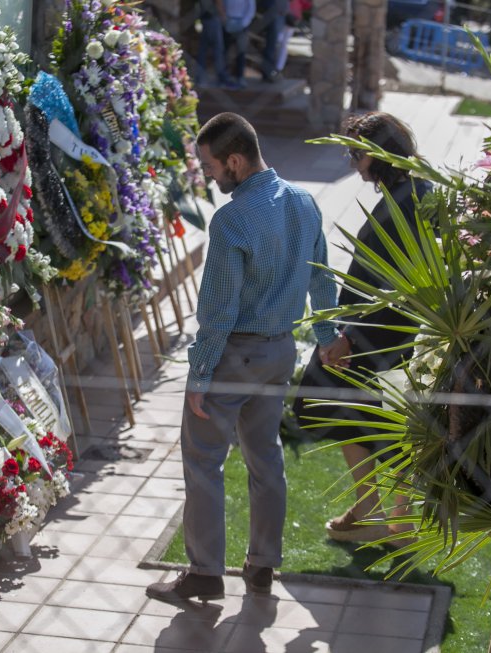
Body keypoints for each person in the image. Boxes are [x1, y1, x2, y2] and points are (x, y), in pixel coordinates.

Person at [146, 112, 343, 602]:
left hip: (235, 356)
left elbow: (218, 310)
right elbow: (322, 276)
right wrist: (326, 334)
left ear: (235, 160)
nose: (210, 177)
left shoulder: (232, 219)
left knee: (203, 461)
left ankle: (206, 574)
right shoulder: (304, 202)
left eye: (211, 167)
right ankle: (262, 566)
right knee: (265, 459)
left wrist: (199, 373)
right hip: (280, 353)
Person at [293, 112, 432, 543]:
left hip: (381, 330)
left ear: (380, 154)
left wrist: (349, 336)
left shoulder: (409, 196)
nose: (353, 164)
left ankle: (382, 512)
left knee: (332, 401)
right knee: (373, 416)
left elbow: (396, 279)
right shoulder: (411, 188)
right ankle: (391, 515)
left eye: (357, 154)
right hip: (383, 327)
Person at [195, 0, 234, 88]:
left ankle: (201, 78)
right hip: (213, 19)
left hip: (204, 20)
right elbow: (218, 2)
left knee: (203, 50)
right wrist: (224, 17)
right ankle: (222, 78)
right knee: (218, 50)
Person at [223, 0, 256, 87]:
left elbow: (251, 9)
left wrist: (243, 23)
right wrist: (225, 21)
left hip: (241, 22)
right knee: (226, 50)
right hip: (228, 21)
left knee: (241, 52)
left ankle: (240, 77)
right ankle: (226, 76)